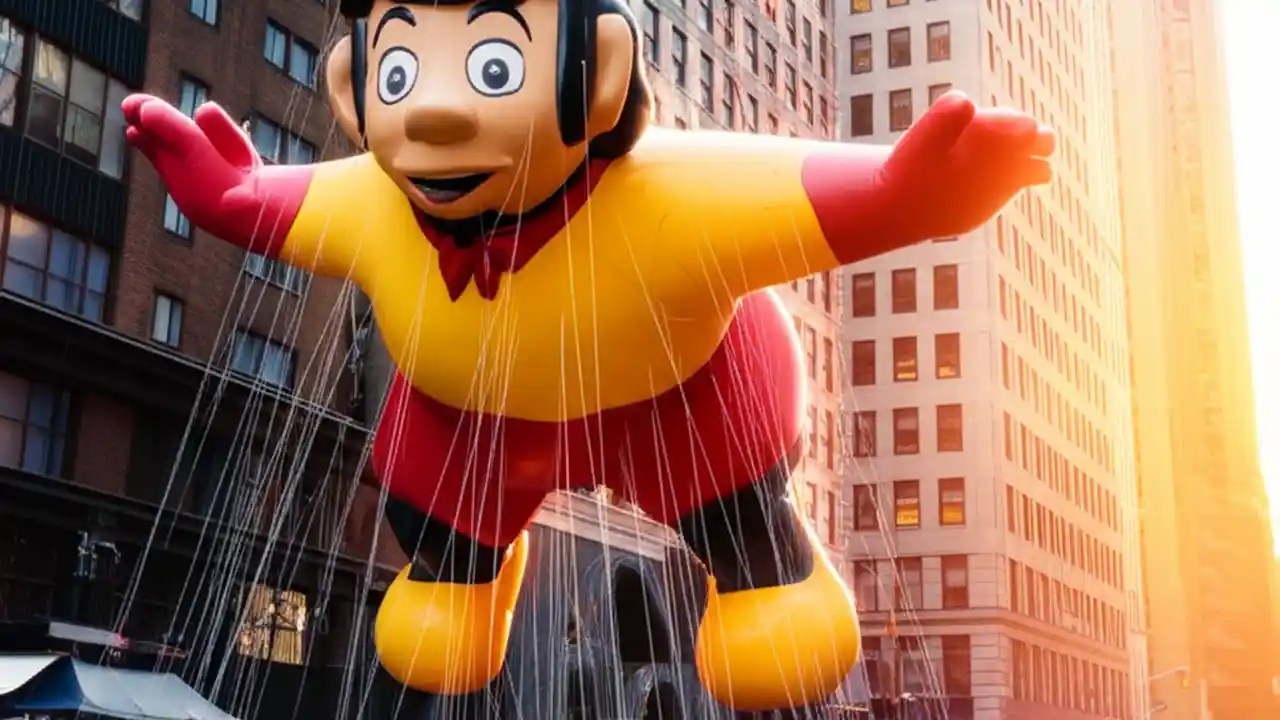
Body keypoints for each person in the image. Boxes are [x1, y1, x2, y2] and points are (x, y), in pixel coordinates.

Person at [122, 0, 1054, 711]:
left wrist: (913, 195)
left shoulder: (670, 197)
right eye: (398, 73)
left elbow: (830, 195)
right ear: (350, 90)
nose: (436, 115)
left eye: (493, 65)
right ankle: (461, 574)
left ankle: (767, 573)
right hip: (470, 424)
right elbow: (262, 204)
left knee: (750, 557)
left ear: (601, 73)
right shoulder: (366, 200)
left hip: (677, 405)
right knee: (429, 554)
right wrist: (222, 195)